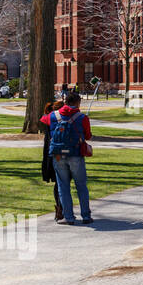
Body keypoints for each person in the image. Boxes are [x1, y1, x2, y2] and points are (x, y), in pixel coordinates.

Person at [41, 92, 93, 225]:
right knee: (81, 185)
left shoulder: (53, 116)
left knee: (63, 187)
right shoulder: (82, 117)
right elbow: (88, 136)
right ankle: (86, 215)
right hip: (75, 153)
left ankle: (68, 217)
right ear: (78, 103)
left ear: (65, 101)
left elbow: (43, 119)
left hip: (58, 154)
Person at [40, 100, 65, 221]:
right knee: (62, 183)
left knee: (57, 183)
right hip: (61, 153)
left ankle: (59, 209)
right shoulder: (59, 119)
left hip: (50, 154)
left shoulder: (47, 118)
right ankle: (62, 209)